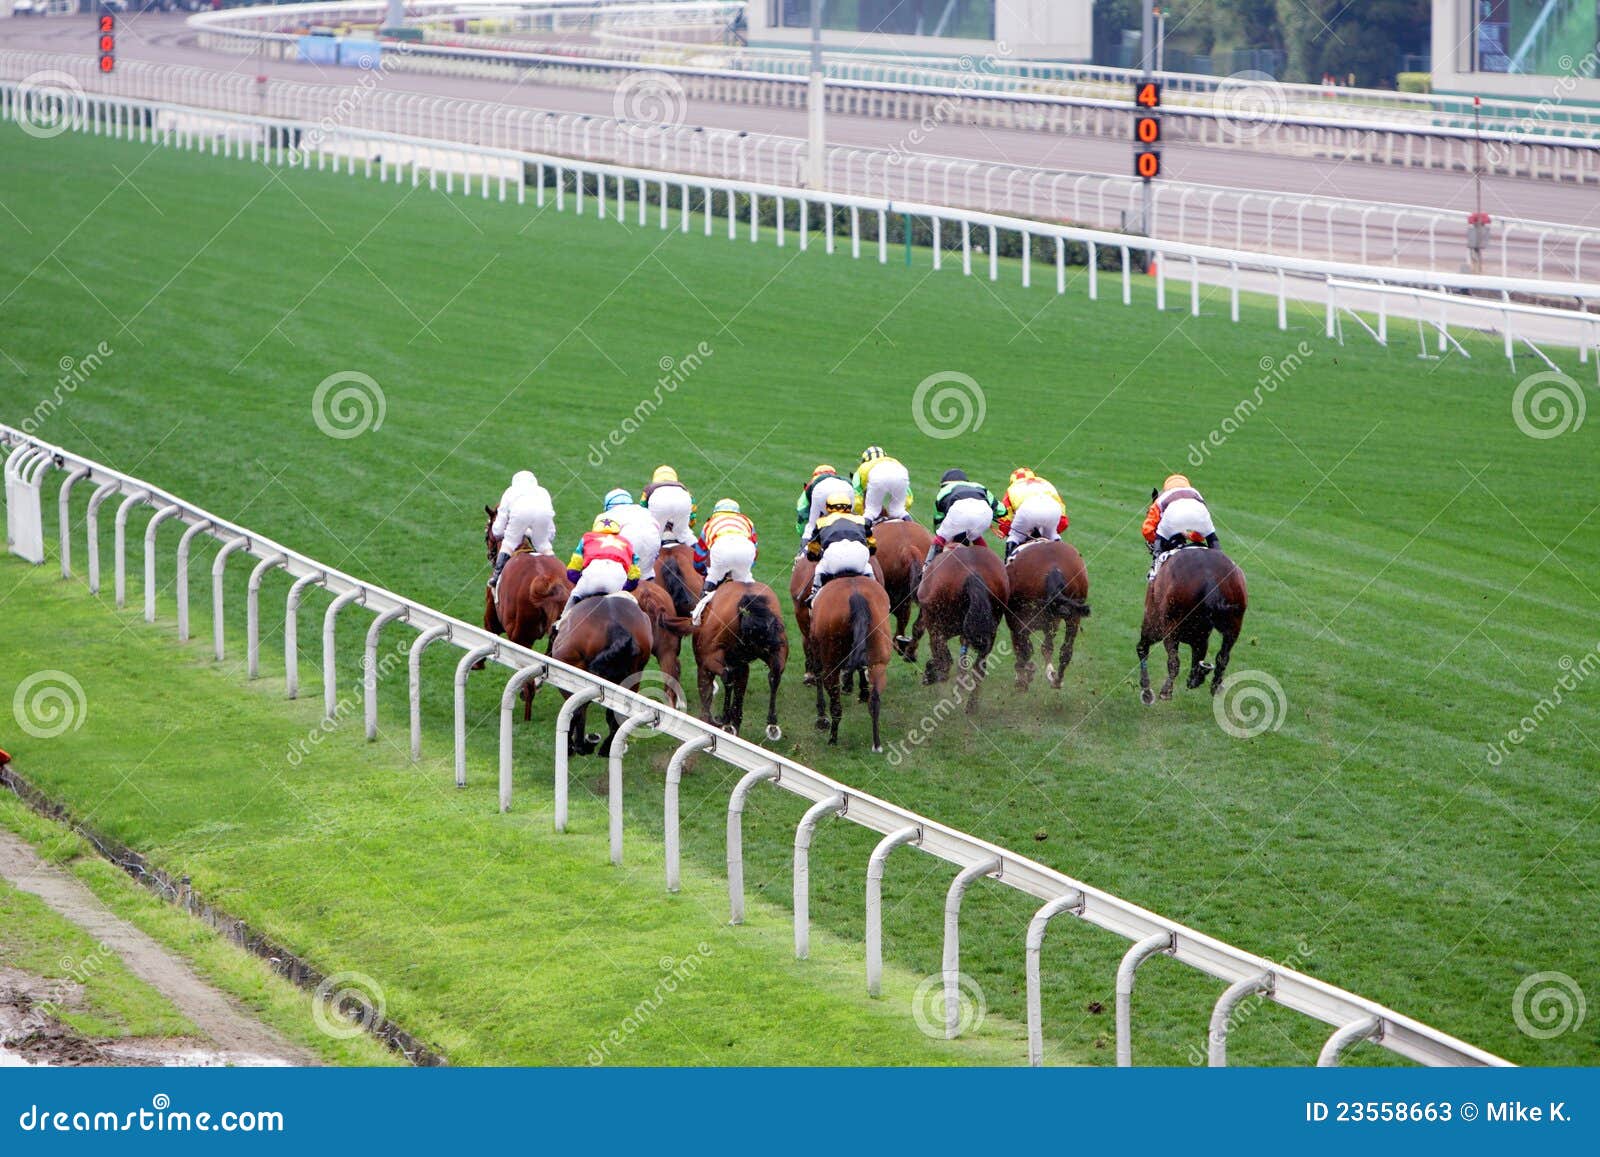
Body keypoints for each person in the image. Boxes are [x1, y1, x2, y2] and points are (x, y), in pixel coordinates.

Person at [554, 516, 640, 630]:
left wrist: (580, 581)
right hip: (617, 582)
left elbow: (572, 571)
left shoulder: (587, 538)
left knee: (574, 596)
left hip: (591, 579)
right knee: (634, 608)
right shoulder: (627, 543)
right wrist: (624, 588)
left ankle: (559, 628)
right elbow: (634, 577)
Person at [690, 499, 758, 626]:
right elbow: (755, 553)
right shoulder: (747, 521)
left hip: (721, 548)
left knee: (713, 578)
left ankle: (697, 618)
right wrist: (742, 569)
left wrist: (707, 572)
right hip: (746, 548)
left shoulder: (710, 523)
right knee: (747, 584)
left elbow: (699, 558)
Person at [489, 470, 556, 591]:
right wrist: (531, 534)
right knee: (544, 546)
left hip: (520, 513)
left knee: (509, 543)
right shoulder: (543, 491)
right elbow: (551, 534)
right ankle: (558, 575)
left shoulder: (510, 491)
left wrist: (509, 533)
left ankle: (496, 576)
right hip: (543, 514)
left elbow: (498, 530)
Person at [805, 495, 876, 604]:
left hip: (834, 556)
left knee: (820, 567)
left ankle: (814, 594)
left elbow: (813, 548)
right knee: (868, 567)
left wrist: (813, 555)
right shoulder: (861, 519)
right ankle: (877, 594)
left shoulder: (821, 521)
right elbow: (872, 544)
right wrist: (871, 550)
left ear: (828, 507)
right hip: (859, 554)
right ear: (849, 507)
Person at [925, 469, 1004, 563]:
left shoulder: (943, 491)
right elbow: (1002, 510)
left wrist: (943, 534)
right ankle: (991, 563)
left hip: (958, 512)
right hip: (985, 513)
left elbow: (938, 520)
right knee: (975, 535)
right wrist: (995, 515)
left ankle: (928, 565)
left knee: (941, 535)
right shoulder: (979, 486)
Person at [998, 467, 1069, 560]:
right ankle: (1064, 559)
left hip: (1028, 508)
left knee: (1015, 536)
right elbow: (1062, 516)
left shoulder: (1012, 488)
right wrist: (1055, 529)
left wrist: (1006, 531)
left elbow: (1005, 517)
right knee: (1052, 535)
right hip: (1053, 507)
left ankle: (1007, 565)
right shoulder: (1046, 483)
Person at [1142, 473, 1219, 557]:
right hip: (1200, 512)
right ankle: (1220, 558)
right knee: (1212, 538)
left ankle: (1156, 559)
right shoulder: (1196, 493)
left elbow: (1147, 530)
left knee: (1158, 552)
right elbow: (1200, 533)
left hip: (1173, 516)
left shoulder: (1161, 498)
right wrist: (1191, 536)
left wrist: (1158, 540)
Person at [601, 488, 662, 581]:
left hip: (629, 544)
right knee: (646, 573)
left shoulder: (606, 516)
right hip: (654, 541)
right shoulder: (644, 511)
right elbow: (657, 528)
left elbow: (599, 544)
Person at [794, 464, 855, 551]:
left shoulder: (811, 485)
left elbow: (802, 514)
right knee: (851, 521)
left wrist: (803, 534)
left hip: (821, 493)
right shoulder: (840, 480)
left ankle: (802, 554)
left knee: (810, 527)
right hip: (848, 489)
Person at [851, 445, 913, 526]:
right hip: (901, 472)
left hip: (877, 475)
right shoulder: (894, 461)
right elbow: (908, 497)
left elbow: (857, 498)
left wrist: (861, 513)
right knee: (898, 510)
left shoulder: (862, 468)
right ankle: (911, 525)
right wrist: (902, 508)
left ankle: (865, 534)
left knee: (871, 511)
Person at [642, 465, 697, 547]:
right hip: (683, 499)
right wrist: (687, 526)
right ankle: (698, 554)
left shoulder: (649, 489)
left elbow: (643, 510)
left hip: (658, 501)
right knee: (684, 534)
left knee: (654, 535)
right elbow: (692, 514)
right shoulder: (684, 489)